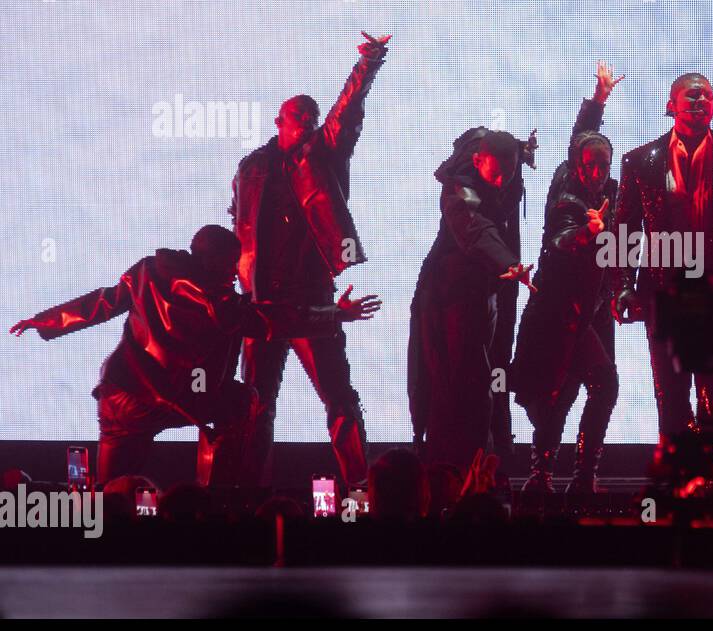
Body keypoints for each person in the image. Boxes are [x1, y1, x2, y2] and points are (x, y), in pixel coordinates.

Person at [9, 225, 380, 485]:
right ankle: (212, 501)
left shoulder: (147, 273)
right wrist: (335, 313)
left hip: (122, 398)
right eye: (232, 264)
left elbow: (101, 304)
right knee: (239, 402)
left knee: (111, 493)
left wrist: (45, 321)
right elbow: (274, 321)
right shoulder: (222, 304)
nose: (236, 274)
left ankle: (103, 537)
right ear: (217, 263)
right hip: (180, 401)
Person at [230, 31, 390, 488]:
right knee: (255, 404)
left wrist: (368, 64)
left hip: (311, 299)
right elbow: (238, 224)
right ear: (279, 121)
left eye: (311, 118)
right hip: (261, 304)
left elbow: (347, 111)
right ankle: (247, 494)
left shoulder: (322, 153)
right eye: (297, 117)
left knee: (339, 398)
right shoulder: (251, 167)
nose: (305, 123)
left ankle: (361, 490)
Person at [611, 72, 713, 443]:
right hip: (663, 293)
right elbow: (625, 232)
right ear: (671, 106)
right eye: (692, 95)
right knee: (670, 398)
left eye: (707, 96)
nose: (701, 101)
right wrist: (623, 286)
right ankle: (676, 488)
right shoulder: (639, 162)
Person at [511, 62, 624, 493]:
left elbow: (584, 135)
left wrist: (599, 99)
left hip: (592, 308)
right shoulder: (566, 187)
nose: (598, 172)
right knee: (566, 389)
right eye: (591, 166)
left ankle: (577, 475)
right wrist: (587, 231)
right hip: (559, 309)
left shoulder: (610, 191)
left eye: (604, 165)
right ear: (577, 166)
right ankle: (545, 473)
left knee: (592, 386)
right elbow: (559, 238)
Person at [409, 128, 538, 472]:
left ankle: (478, 468)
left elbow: (511, 164)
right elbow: (475, 228)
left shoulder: (506, 166)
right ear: (478, 161)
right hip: (449, 298)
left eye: (507, 175)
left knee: (482, 383)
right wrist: (508, 263)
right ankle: (450, 472)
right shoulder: (458, 189)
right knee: (454, 389)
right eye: (494, 174)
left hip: (486, 294)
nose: (500, 182)